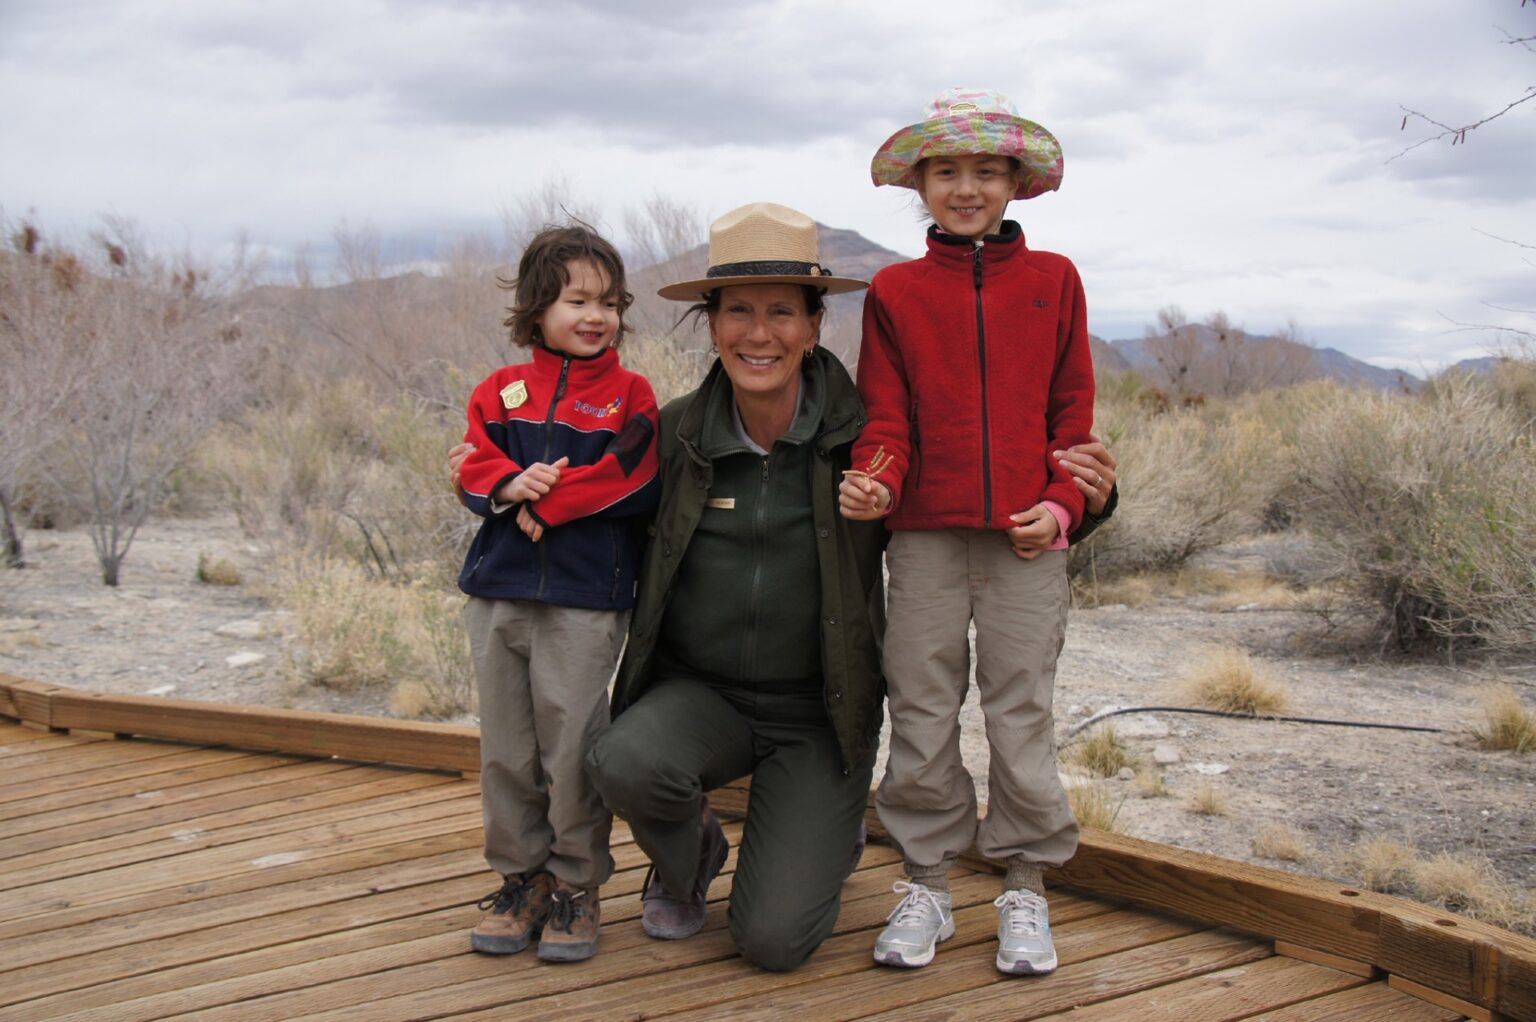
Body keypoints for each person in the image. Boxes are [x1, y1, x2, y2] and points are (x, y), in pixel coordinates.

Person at [582, 202, 887, 973]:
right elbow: (588, 496)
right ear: (711, 324)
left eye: (782, 312)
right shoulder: (676, 433)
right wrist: (494, 481)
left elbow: (961, 507)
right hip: (700, 696)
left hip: (820, 712)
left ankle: (825, 825)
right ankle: (690, 856)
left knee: (773, 941)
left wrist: (1075, 500)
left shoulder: (869, 444)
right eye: (739, 311)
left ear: (815, 326)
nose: (760, 334)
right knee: (623, 760)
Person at [840, 87, 1096, 976]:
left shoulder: (1055, 281)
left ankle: (1024, 887)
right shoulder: (896, 291)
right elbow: (886, 419)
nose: (966, 187)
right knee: (919, 704)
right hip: (924, 538)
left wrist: (1062, 503)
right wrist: (875, 483)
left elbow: (1074, 419)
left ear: (1016, 182)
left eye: (987, 170)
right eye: (946, 171)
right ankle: (929, 887)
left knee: (1020, 709)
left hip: (1030, 538)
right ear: (919, 184)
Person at [456, 224, 660, 963]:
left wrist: (550, 501)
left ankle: (577, 883)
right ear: (539, 306)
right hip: (498, 592)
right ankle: (522, 879)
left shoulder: (631, 395)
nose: (594, 316)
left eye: (607, 301)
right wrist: (507, 484)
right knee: (507, 749)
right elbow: (472, 462)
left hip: (584, 598)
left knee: (570, 746)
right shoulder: (501, 390)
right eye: (577, 299)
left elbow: (633, 474)